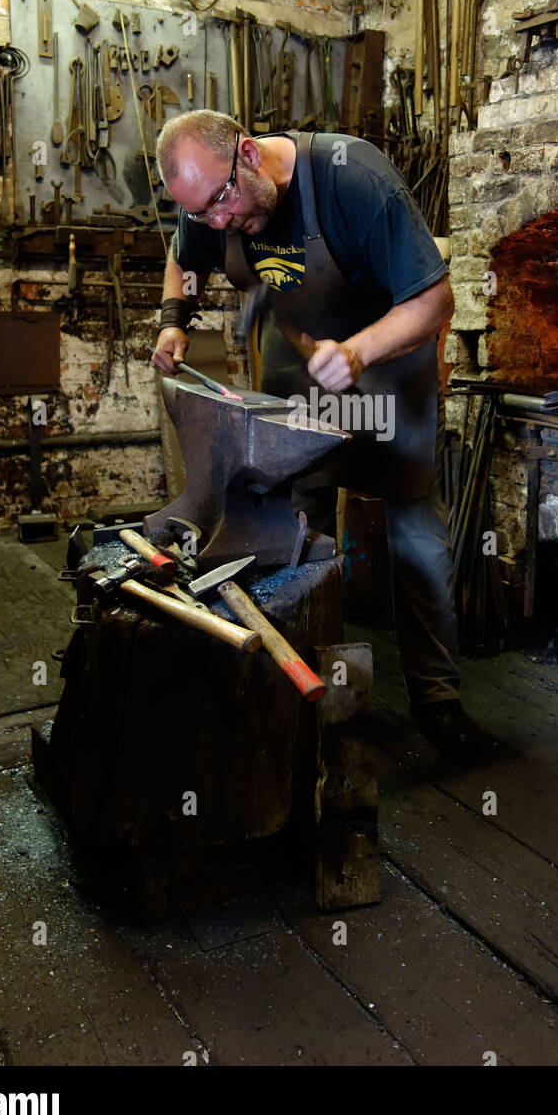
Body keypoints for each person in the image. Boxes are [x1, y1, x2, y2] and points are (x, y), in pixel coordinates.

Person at [151, 110, 484, 758]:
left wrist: (357, 353)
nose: (217, 224)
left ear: (248, 153)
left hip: (387, 366)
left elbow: (437, 301)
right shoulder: (210, 204)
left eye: (221, 203)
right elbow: (182, 259)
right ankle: (296, 687)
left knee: (415, 535)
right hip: (297, 371)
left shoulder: (353, 179)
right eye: (203, 215)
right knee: (285, 528)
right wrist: (174, 319)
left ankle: (438, 700)